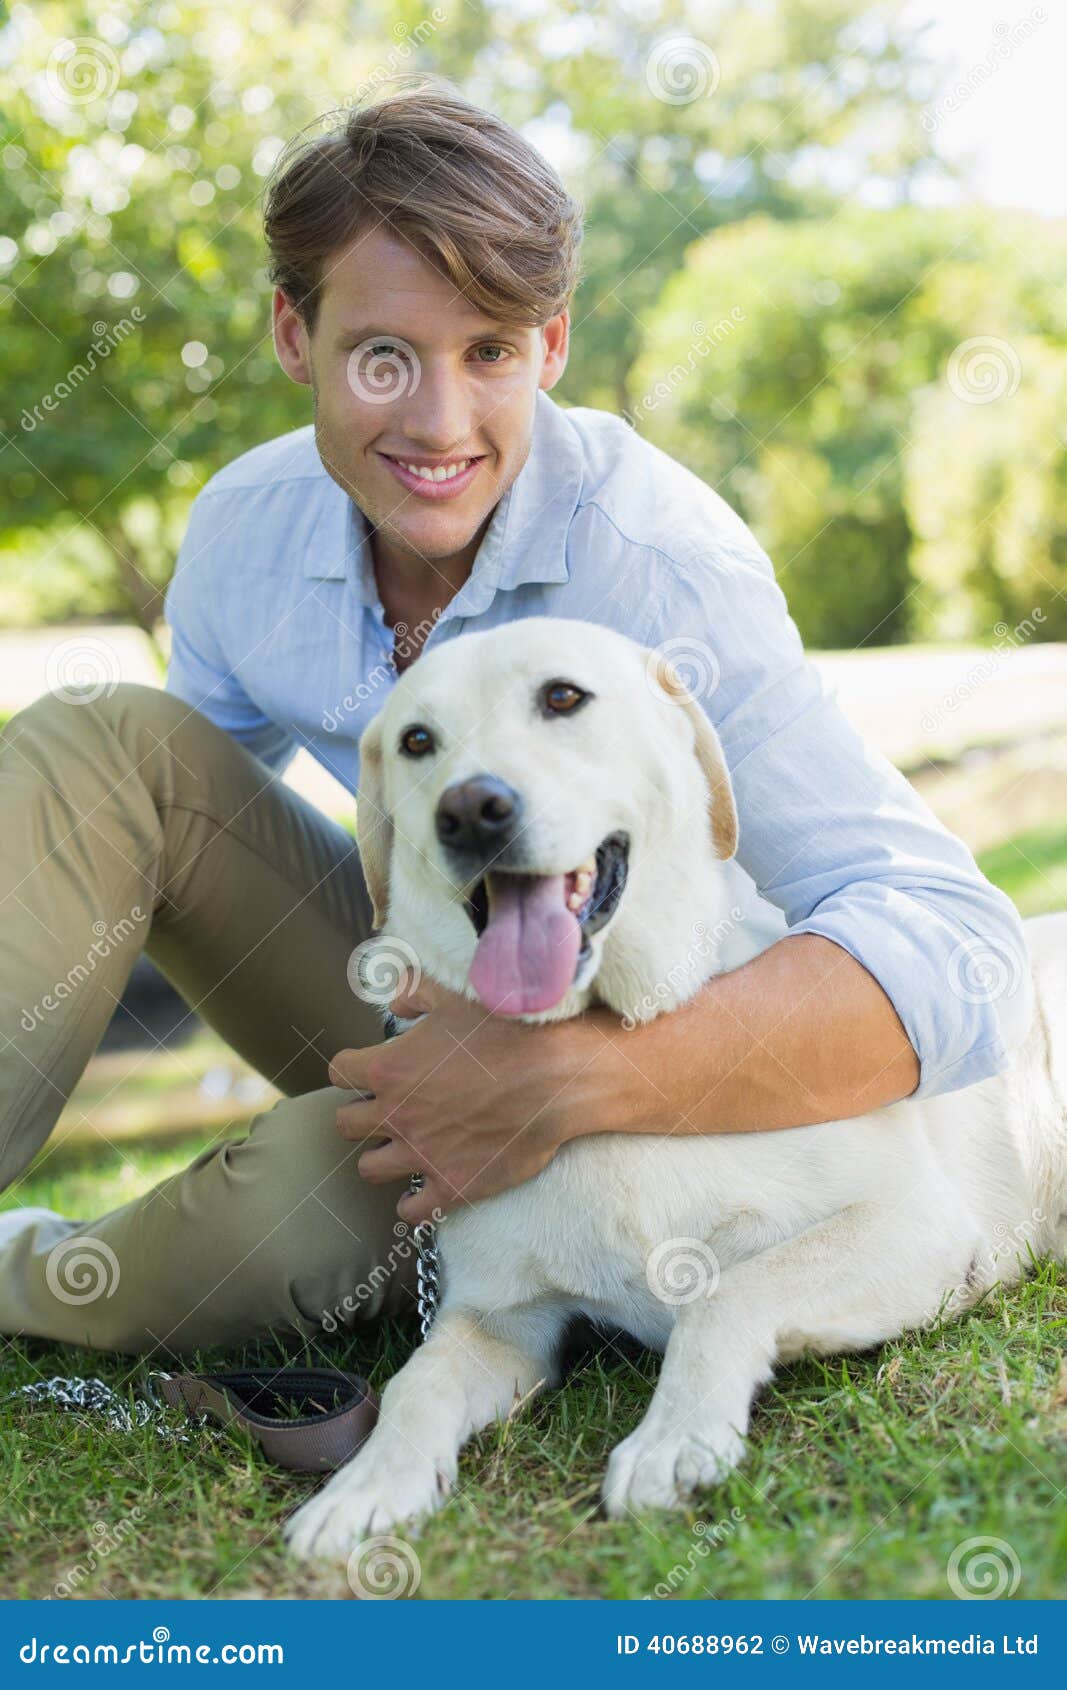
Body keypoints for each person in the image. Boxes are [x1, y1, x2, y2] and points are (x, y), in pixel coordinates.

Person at [0, 77, 1030, 1356]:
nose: (438, 423)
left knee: (296, 1219)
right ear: (290, 334)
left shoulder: (658, 561)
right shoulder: (240, 534)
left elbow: (951, 940)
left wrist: (565, 1083)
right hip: (414, 982)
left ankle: (30, 1282)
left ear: (547, 349)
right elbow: (159, 834)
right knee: (98, 746)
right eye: (383, 356)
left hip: (638, 1020)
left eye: (488, 352)